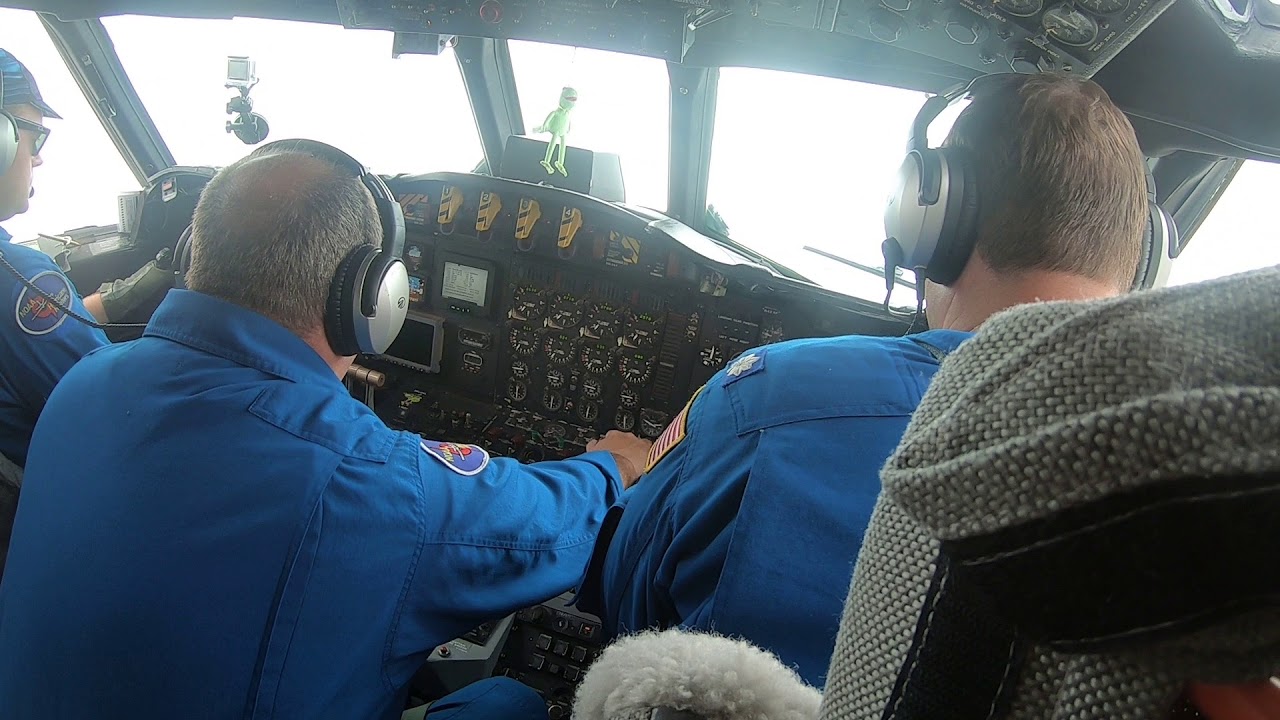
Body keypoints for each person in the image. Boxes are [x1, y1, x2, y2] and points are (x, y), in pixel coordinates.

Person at [0, 140, 653, 719]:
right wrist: (611, 467)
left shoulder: (82, 382)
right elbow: (549, 533)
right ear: (373, 299)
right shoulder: (365, 483)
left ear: (194, 254)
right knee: (508, 701)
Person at [574, 71, 1151, 687]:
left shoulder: (768, 399)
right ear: (1141, 263)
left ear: (932, 218)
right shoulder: (1186, 482)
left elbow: (624, 604)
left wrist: (636, 468)